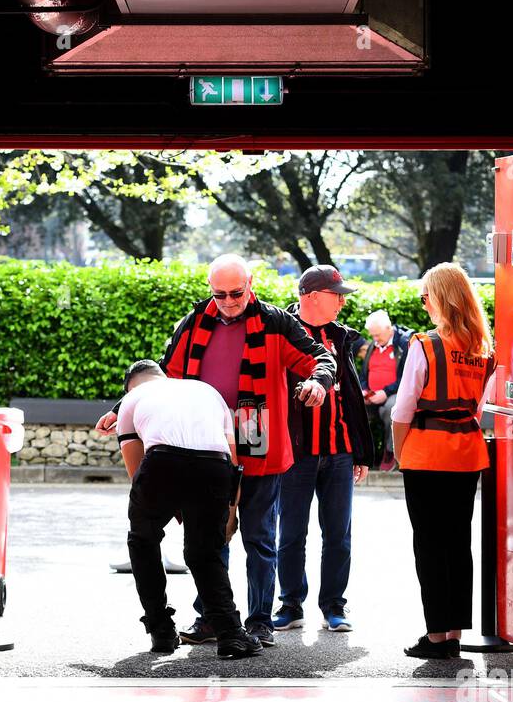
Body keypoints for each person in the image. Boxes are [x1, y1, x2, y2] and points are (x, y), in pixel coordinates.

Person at [96, 254, 336, 648]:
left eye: (236, 293)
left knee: (259, 537)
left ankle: (259, 621)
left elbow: (319, 358)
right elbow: (162, 376)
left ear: (251, 284)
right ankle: (213, 618)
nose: (227, 301)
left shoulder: (276, 321)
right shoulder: (194, 322)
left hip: (260, 442)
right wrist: (118, 408)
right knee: (207, 540)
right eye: (219, 294)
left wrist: (319, 384)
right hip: (204, 445)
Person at [116, 360, 262, 660]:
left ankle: (161, 631)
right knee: (204, 553)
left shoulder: (131, 400)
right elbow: (233, 458)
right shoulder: (205, 390)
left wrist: (167, 504)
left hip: (161, 464)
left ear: (132, 386)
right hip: (214, 466)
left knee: (143, 541)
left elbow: (137, 471)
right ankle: (230, 634)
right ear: (163, 377)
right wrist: (231, 512)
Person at [391, 262, 495, 660]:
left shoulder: (425, 345)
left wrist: (401, 453)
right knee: (457, 542)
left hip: (426, 454)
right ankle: (453, 632)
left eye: (425, 297)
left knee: (430, 546)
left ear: (440, 298)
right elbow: (478, 408)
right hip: (467, 454)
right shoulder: (483, 351)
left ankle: (436, 637)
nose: (423, 305)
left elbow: (403, 410)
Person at [274, 265, 374, 634]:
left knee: (338, 535)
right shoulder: (281, 332)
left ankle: (334, 606)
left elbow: (352, 398)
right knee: (291, 534)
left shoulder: (341, 337)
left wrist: (361, 452)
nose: (343, 301)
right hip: (295, 454)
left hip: (339, 453)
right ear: (313, 295)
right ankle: (290, 605)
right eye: (337, 295)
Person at [357, 309, 412, 471]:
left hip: (394, 394)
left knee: (392, 408)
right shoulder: (373, 346)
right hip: (371, 395)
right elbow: (362, 374)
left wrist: (386, 392)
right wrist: (364, 389)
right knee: (355, 408)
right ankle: (363, 455)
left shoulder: (403, 345)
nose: (374, 339)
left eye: (377, 335)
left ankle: (390, 451)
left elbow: (407, 378)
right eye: (372, 335)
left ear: (389, 329)